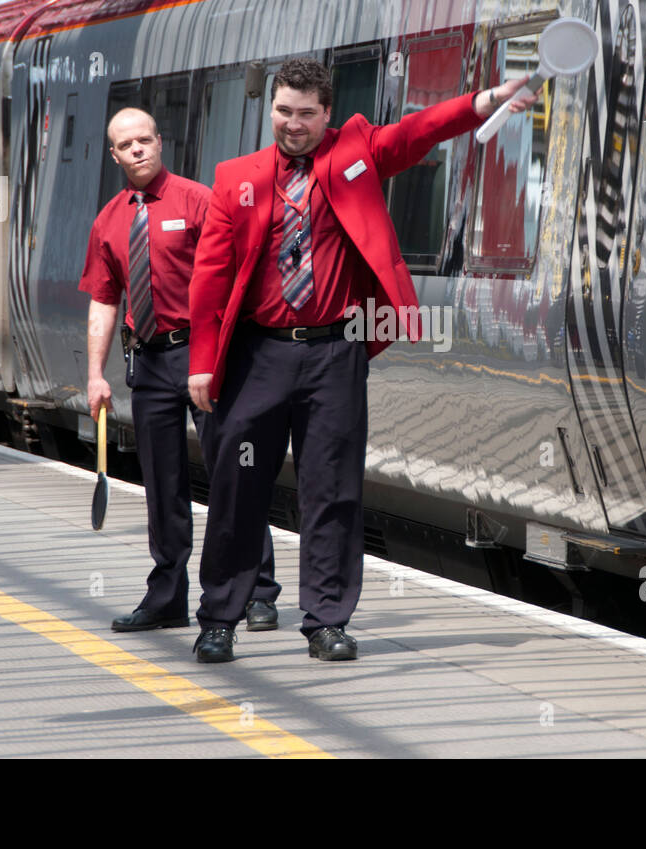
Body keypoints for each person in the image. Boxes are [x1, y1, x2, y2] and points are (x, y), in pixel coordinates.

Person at [187, 59, 535, 662]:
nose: (292, 125)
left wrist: (487, 100)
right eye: (282, 112)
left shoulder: (357, 153)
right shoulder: (234, 178)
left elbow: (420, 130)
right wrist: (200, 361)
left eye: (305, 115)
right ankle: (220, 616)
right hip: (257, 355)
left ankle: (326, 620)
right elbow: (210, 275)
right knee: (237, 486)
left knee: (333, 490)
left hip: (335, 352)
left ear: (327, 113)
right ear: (271, 109)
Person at [79, 107, 280, 635]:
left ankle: (257, 591)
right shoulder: (109, 220)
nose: (138, 150)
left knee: (233, 475)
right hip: (147, 359)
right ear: (114, 155)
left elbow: (235, 276)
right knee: (162, 486)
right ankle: (167, 595)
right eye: (127, 145)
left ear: (160, 141)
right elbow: (103, 301)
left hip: (206, 354)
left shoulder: (197, 200)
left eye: (145, 139)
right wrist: (95, 375)